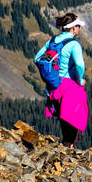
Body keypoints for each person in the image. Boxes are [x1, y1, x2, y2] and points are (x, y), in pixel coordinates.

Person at [35, 13, 88, 147]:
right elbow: (80, 64)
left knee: (63, 116)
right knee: (75, 116)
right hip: (69, 84)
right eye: (78, 26)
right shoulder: (74, 44)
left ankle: (65, 148)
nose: (79, 29)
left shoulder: (53, 41)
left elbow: (37, 58)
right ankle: (69, 148)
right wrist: (80, 79)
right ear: (74, 28)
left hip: (54, 85)